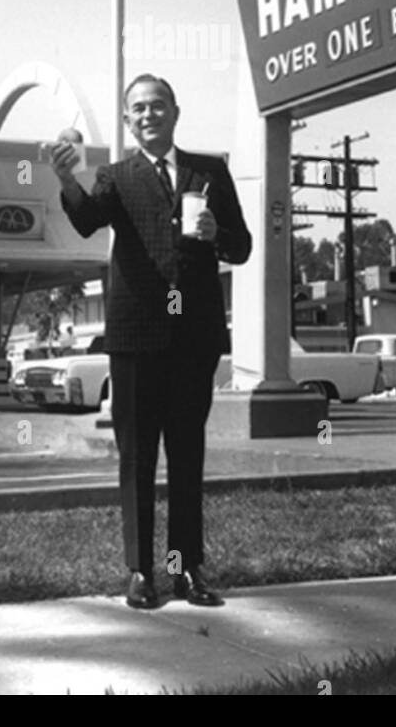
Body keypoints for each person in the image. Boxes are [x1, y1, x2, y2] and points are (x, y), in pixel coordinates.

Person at [49, 74, 252, 609]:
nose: (148, 115)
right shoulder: (116, 177)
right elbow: (89, 220)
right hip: (136, 334)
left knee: (187, 453)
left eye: (157, 105)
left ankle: (186, 570)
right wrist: (68, 179)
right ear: (127, 119)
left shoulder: (210, 172)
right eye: (138, 108)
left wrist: (217, 236)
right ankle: (141, 572)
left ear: (175, 112)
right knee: (137, 456)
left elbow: (244, 246)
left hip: (195, 335)